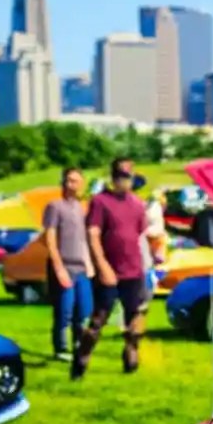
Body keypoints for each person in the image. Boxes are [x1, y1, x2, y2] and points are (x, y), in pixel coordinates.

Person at [72, 158, 150, 379]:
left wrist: (149, 262)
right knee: (99, 319)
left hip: (133, 271)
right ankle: (81, 361)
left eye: (127, 177)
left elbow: (140, 236)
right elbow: (93, 235)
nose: (123, 181)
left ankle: (131, 359)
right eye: (119, 177)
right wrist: (102, 265)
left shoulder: (136, 203)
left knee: (135, 318)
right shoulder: (100, 202)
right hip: (110, 271)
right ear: (113, 177)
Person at [43, 168, 94, 361]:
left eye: (76, 181)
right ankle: (61, 349)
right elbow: (50, 238)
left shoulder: (82, 208)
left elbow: (84, 239)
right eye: (69, 181)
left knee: (83, 311)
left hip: (81, 268)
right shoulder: (55, 207)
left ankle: (79, 346)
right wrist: (58, 268)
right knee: (64, 311)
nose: (73, 185)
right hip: (64, 266)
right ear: (63, 183)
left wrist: (90, 263)